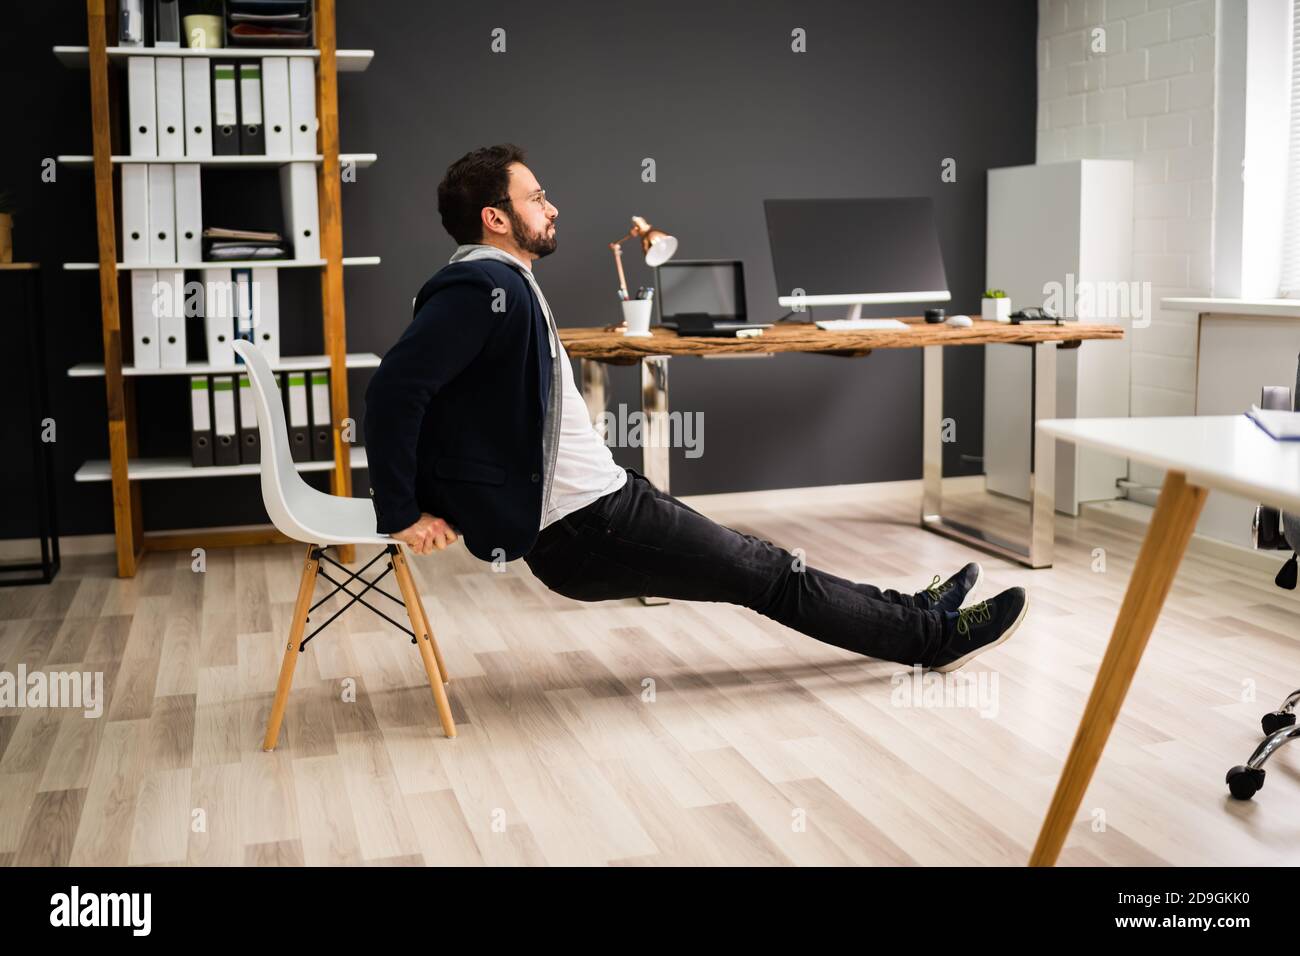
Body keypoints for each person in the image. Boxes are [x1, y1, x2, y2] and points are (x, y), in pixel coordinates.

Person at [363, 144, 1027, 672]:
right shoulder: (479, 285)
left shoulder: (503, 283)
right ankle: (929, 639)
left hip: (606, 502)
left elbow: (455, 406)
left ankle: (909, 609)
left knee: (768, 562)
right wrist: (404, 511)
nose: (553, 207)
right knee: (769, 576)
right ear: (496, 216)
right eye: (536, 197)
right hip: (584, 526)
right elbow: (395, 392)